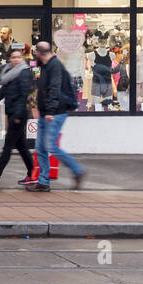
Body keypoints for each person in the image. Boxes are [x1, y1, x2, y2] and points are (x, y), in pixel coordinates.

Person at [26, 41, 87, 191]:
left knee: (50, 146)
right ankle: (43, 182)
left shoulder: (55, 66)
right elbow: (35, 82)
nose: (35, 56)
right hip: (44, 112)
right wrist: (33, 65)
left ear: (41, 53)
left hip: (55, 113)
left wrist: (50, 112)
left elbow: (54, 88)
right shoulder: (42, 66)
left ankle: (77, 170)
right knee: (40, 148)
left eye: (36, 54)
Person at [0, 46, 36, 186]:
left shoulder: (24, 73)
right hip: (13, 114)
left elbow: (25, 96)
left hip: (18, 115)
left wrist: (18, 115)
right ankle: (33, 174)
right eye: (14, 57)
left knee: (7, 147)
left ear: (22, 59)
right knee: (21, 147)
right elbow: (0, 95)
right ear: (9, 59)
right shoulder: (9, 73)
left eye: (19, 57)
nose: (16, 59)